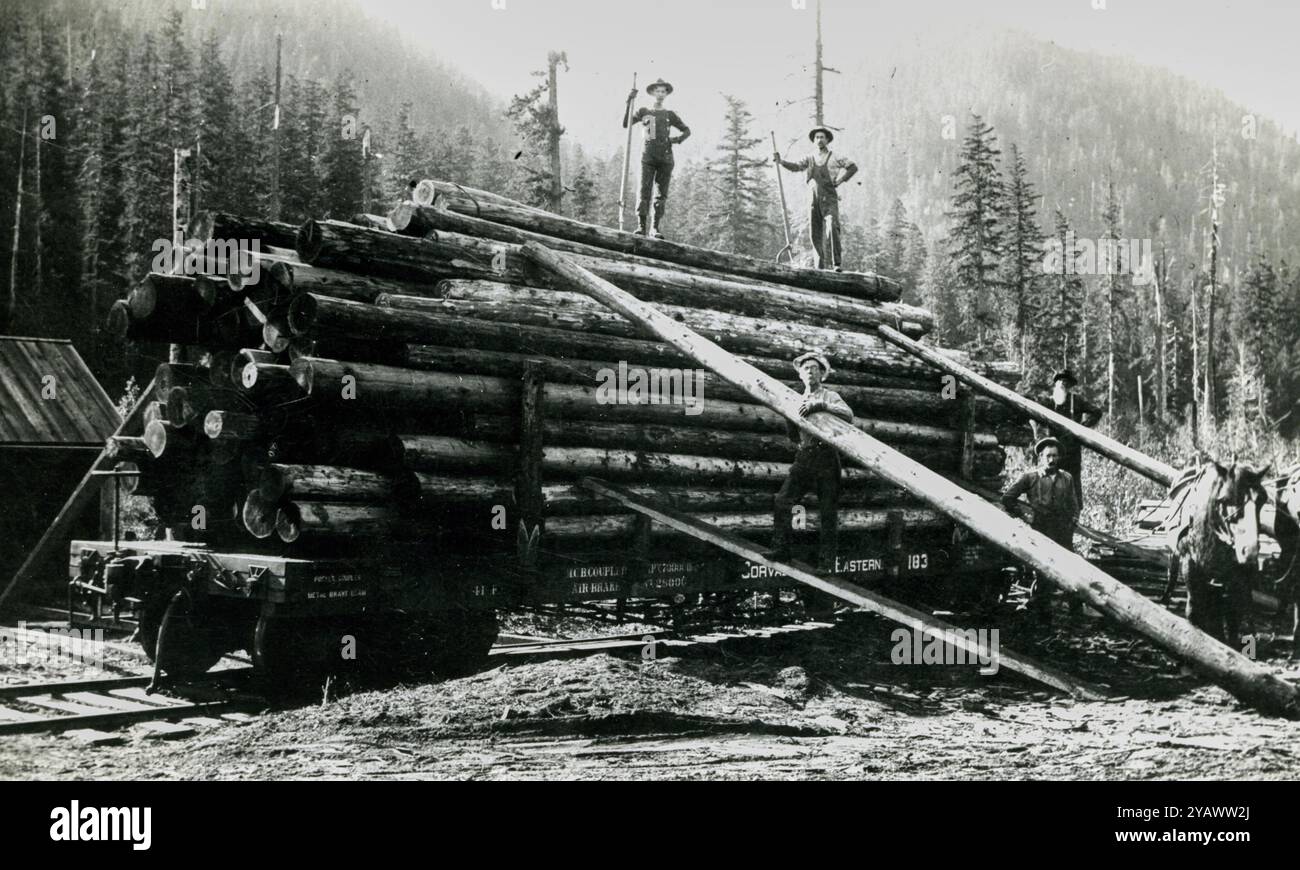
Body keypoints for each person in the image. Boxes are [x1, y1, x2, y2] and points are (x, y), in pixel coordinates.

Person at [772, 351, 854, 572]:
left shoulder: (830, 396)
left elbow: (848, 415)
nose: (810, 371)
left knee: (827, 511)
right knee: (783, 500)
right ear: (800, 374)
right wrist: (799, 443)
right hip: (806, 456)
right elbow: (791, 429)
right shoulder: (796, 399)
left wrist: (820, 406)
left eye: (815, 368)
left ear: (822, 374)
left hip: (827, 457)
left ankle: (826, 564)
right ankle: (782, 551)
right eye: (806, 368)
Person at [1001, 437, 1082, 621]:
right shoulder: (1030, 478)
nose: (1051, 459)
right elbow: (1007, 498)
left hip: (1062, 531)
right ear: (1040, 457)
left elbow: (1074, 504)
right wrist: (1024, 516)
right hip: (1040, 529)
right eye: (1047, 456)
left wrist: (1074, 519)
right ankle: (1042, 613)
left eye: (1054, 456)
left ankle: (1075, 611)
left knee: (1071, 568)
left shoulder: (1067, 478)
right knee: (1044, 570)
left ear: (1059, 457)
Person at [773, 127, 858, 270]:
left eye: (822, 137)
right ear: (814, 140)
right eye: (817, 137)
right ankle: (819, 267)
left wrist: (840, 180)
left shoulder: (835, 157)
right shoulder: (809, 158)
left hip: (829, 198)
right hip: (812, 199)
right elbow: (796, 167)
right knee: (815, 232)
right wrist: (781, 162)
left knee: (832, 226)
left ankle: (836, 264)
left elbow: (853, 167)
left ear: (827, 140)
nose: (819, 139)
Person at [622, 78, 690, 238]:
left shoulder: (670, 114)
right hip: (648, 156)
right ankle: (641, 227)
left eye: (663, 91)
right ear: (652, 93)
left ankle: (655, 228)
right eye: (657, 91)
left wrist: (675, 140)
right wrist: (629, 101)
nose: (660, 94)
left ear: (666, 94)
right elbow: (626, 124)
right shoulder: (644, 111)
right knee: (643, 191)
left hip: (665, 158)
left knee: (661, 193)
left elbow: (687, 131)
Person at [1032, 369, 1103, 506]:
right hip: (1053, 451)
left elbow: (1096, 412)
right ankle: (1050, 511)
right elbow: (1033, 414)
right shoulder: (1048, 402)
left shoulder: (1076, 401)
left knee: (1073, 482)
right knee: (1050, 480)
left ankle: (1075, 514)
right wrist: (1039, 436)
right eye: (1060, 381)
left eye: (1066, 382)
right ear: (1055, 384)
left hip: (1072, 450)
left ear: (1070, 386)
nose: (1062, 384)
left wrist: (1081, 428)